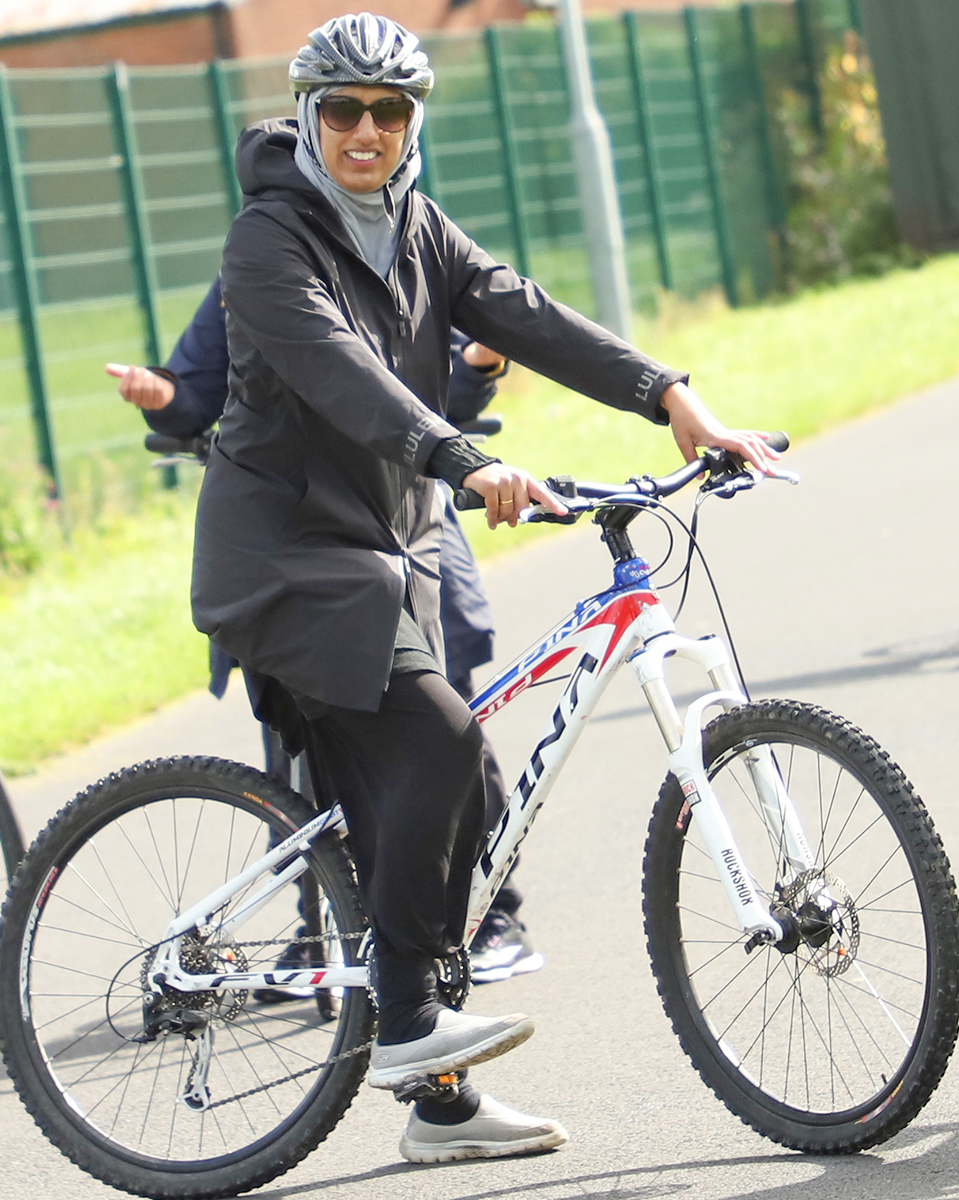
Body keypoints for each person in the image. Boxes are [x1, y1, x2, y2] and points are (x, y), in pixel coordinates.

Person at [190, 14, 777, 1164]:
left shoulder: (416, 226)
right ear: (309, 116)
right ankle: (408, 1021)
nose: (366, 131)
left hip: (382, 558)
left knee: (457, 801)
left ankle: (441, 1106)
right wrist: (461, 459)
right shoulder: (268, 241)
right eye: (344, 110)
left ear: (414, 124)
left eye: (390, 111)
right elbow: (341, 375)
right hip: (288, 560)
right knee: (446, 748)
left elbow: (523, 310)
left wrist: (674, 398)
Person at [109, 289, 544, 986]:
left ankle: (485, 914)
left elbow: (446, 405)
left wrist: (481, 362)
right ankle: (326, 927)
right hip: (295, 549)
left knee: (445, 729)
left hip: (404, 531)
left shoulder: (404, 264)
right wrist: (160, 393)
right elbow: (192, 395)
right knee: (297, 747)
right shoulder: (257, 267)